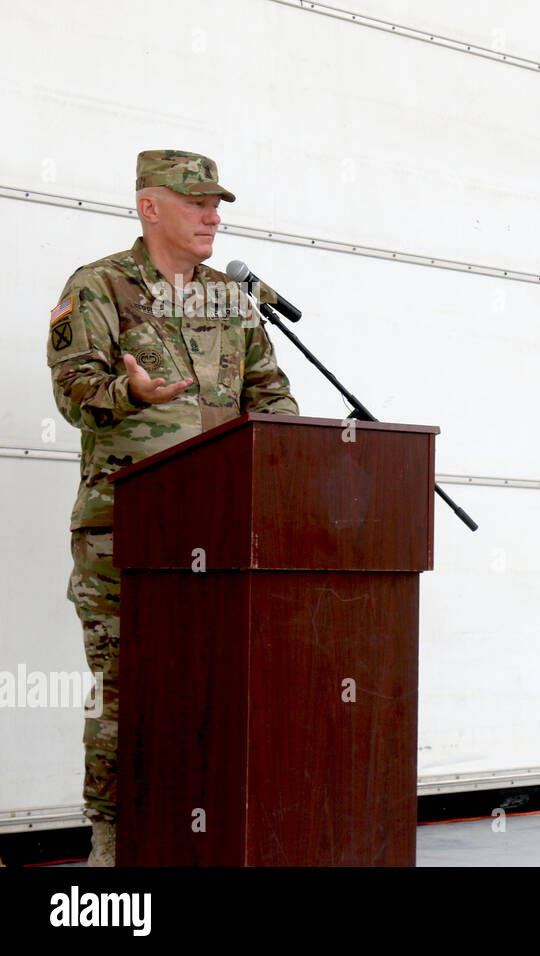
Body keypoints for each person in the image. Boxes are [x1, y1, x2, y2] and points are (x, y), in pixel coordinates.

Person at [46, 149, 300, 866]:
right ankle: (113, 841)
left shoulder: (229, 297)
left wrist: (293, 444)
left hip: (222, 534)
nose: (212, 215)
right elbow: (74, 393)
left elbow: (272, 397)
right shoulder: (98, 288)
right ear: (148, 207)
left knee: (219, 688)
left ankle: (212, 835)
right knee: (129, 688)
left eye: (217, 203)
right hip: (123, 528)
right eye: (196, 202)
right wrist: (133, 394)